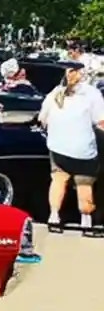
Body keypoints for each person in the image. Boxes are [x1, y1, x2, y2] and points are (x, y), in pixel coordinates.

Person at [38, 62, 104, 236]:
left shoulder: (54, 94)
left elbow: (42, 119)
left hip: (57, 146)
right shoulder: (91, 93)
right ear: (79, 73)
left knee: (58, 180)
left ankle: (54, 217)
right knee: (84, 183)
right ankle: (86, 222)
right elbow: (101, 121)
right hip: (83, 148)